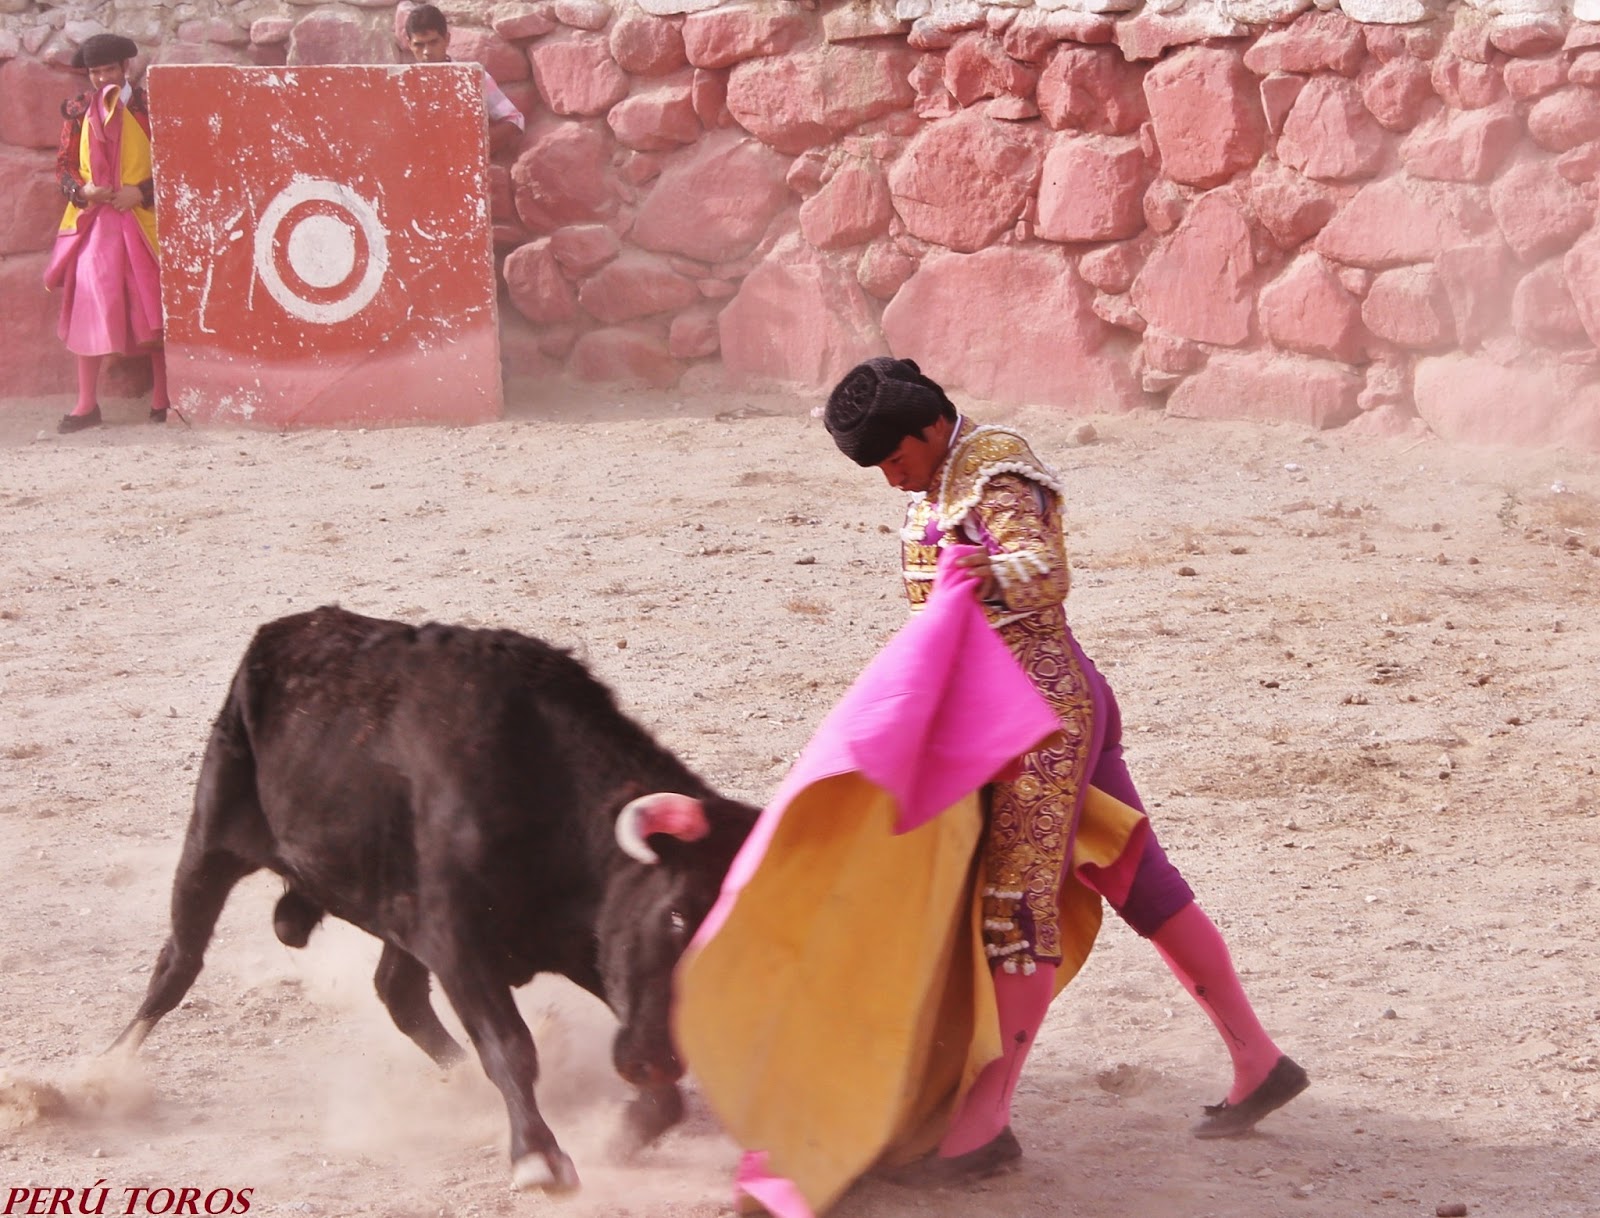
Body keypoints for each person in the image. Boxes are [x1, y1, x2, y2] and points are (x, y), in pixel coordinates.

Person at [823, 357, 1309, 1184]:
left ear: (931, 428)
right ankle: (1260, 1061)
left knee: (1016, 903)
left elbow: (1044, 570)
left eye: (894, 459)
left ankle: (983, 1126)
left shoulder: (997, 472)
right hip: (1019, 709)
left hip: (1040, 721)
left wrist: (988, 573)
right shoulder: (938, 481)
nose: (889, 478)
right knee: (1138, 879)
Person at [46, 32, 171, 434]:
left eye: (108, 70)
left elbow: (175, 161)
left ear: (126, 68)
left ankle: (162, 398)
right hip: (97, 219)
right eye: (95, 72)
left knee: (151, 299)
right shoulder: (78, 108)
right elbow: (64, 166)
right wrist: (82, 191)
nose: (101, 78)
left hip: (143, 216)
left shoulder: (150, 105)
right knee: (89, 295)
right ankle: (86, 404)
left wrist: (142, 191)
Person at [403, 4, 526, 158]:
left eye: (433, 42)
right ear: (409, 45)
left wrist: (474, 142)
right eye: (419, 45)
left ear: (446, 40)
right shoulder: (402, 84)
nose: (427, 52)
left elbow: (515, 120)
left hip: (462, 171)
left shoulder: (471, 78)